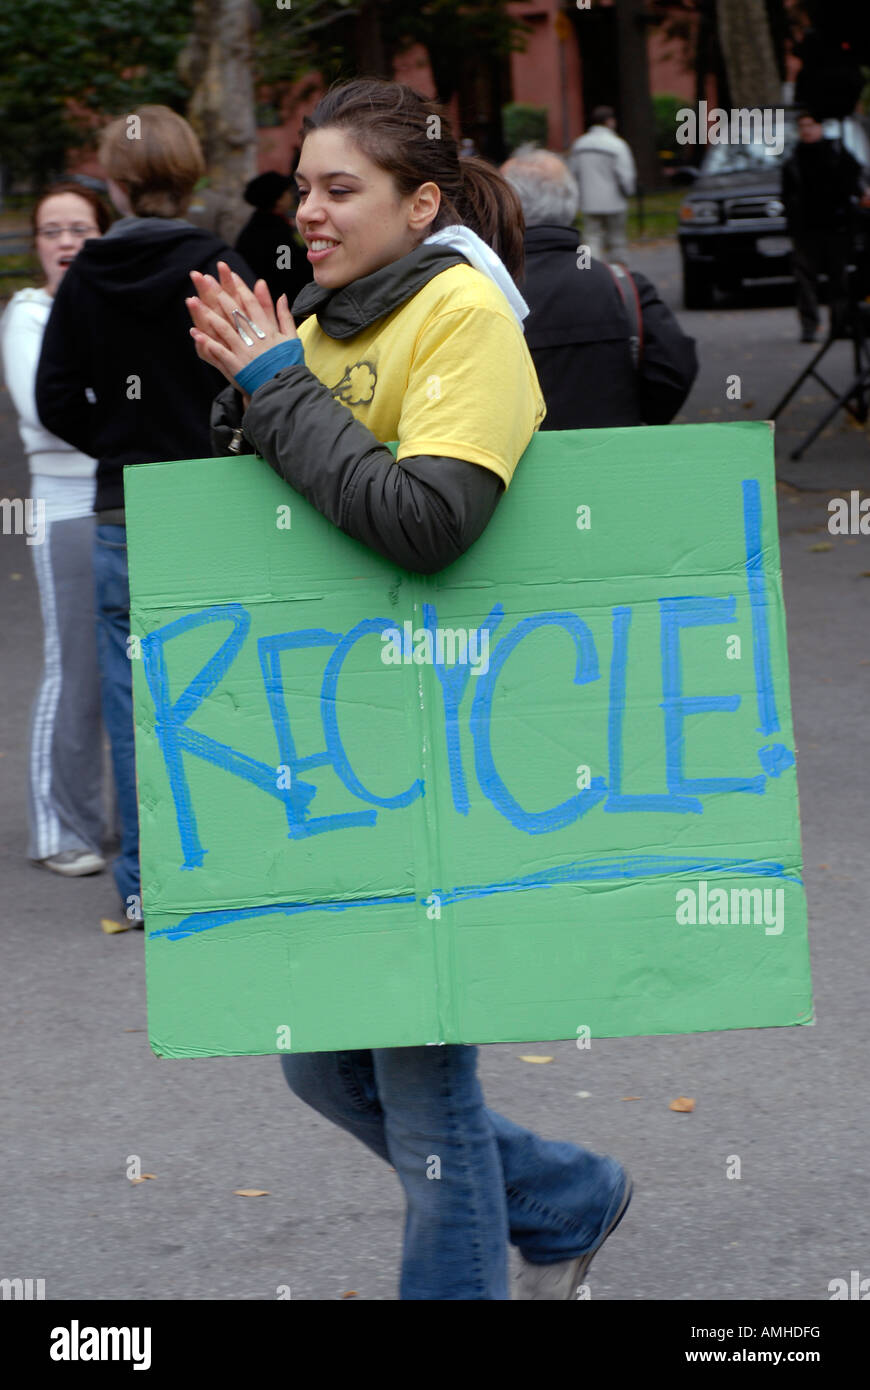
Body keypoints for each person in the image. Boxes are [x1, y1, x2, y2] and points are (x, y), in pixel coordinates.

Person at [186, 77, 632, 1301]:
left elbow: (428, 521)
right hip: (336, 774)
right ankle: (570, 1194)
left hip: (442, 763)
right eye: (301, 187)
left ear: (419, 200)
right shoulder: (323, 327)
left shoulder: (460, 316)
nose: (308, 212)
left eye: (342, 189)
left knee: (430, 1099)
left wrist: (276, 384)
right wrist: (256, 387)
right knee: (321, 1067)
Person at [35, 106, 256, 929]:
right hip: (216, 506)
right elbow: (262, 380)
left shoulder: (88, 275)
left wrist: (115, 439)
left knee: (135, 704)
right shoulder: (222, 267)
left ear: (115, 184)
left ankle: (144, 882)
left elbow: (54, 395)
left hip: (123, 509)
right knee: (225, 687)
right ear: (191, 174)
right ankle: (233, 862)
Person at [1, 183, 112, 877]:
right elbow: (47, 413)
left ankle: (132, 818)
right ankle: (61, 828)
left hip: (124, 502)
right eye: (52, 231)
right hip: (65, 507)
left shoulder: (114, 312)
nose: (67, 241)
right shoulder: (30, 313)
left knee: (130, 673)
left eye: (81, 228)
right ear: (38, 246)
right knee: (74, 670)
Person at [501, 146, 698, 428]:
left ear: (505, 207)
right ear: (572, 201)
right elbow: (676, 366)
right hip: (614, 462)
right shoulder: (624, 288)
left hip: (516, 467)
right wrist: (637, 418)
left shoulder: (483, 292)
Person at [781, 112, 864, 342]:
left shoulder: (836, 153)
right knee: (804, 278)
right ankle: (810, 325)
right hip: (806, 229)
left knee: (839, 278)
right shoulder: (794, 159)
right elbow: (788, 194)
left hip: (836, 227)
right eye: (802, 126)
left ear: (820, 127)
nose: (807, 130)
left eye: (811, 125)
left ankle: (840, 324)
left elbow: (855, 179)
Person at [567, 105, 636, 264]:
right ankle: (619, 273)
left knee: (591, 239)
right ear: (610, 122)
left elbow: (572, 173)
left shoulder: (580, 144)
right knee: (616, 239)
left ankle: (590, 272)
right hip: (615, 201)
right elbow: (625, 174)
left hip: (589, 201)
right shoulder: (617, 145)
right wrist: (628, 192)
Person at [235, 171, 314, 309]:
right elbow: (285, 269)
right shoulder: (275, 232)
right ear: (278, 199)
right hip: (278, 302)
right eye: (288, 192)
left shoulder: (256, 225)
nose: (292, 196)